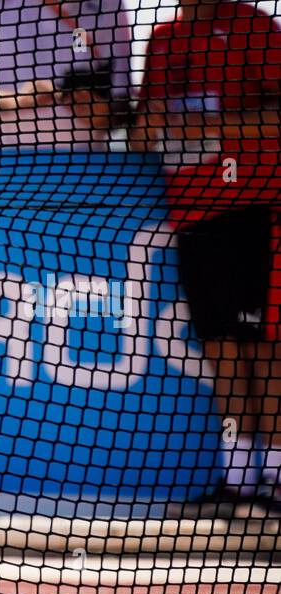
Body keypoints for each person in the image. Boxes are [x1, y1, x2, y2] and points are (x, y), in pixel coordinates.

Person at [130, 0, 281, 517]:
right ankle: (239, 482)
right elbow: (141, 134)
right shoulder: (163, 35)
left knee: (265, 347)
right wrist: (148, 128)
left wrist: (215, 126)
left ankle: (276, 481)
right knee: (221, 348)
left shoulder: (254, 25)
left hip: (255, 205)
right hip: (191, 213)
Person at [0, 0, 134, 149]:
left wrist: (102, 113)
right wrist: (15, 101)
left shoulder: (110, 5)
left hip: (84, 172)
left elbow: (122, 102)